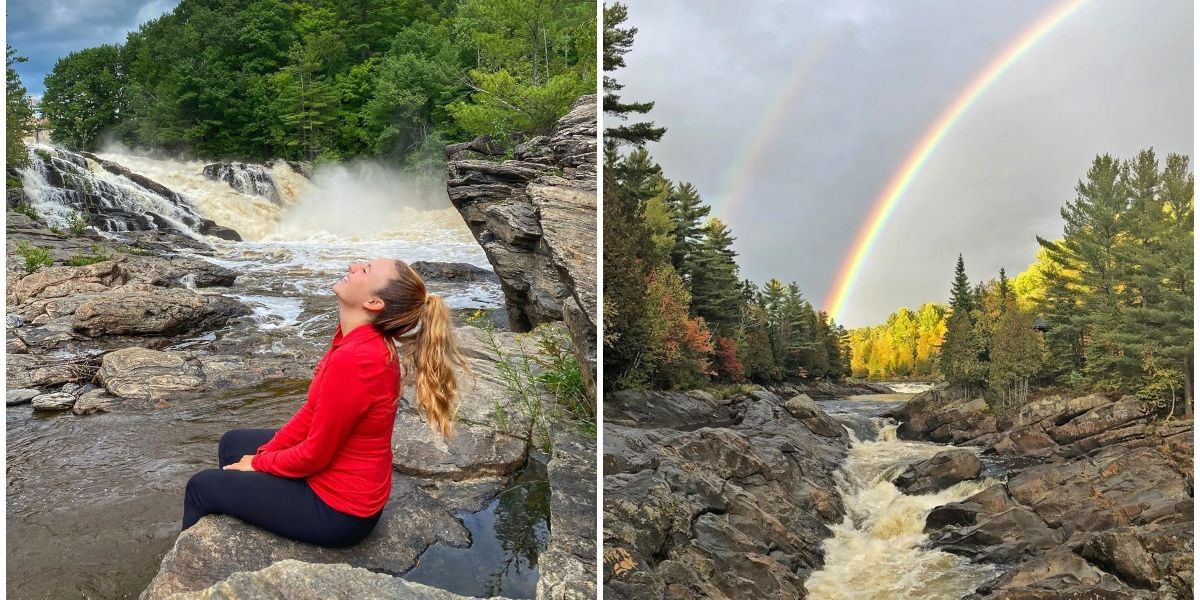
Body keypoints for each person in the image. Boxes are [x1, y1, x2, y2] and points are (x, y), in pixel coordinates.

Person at [180, 258, 468, 547]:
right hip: (339, 483)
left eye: (365, 270)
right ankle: (242, 516)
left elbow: (314, 455)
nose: (354, 265)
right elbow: (311, 412)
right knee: (233, 444)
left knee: (201, 488)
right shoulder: (354, 338)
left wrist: (260, 462)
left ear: (374, 302)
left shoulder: (356, 359)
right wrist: (265, 454)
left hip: (340, 512)